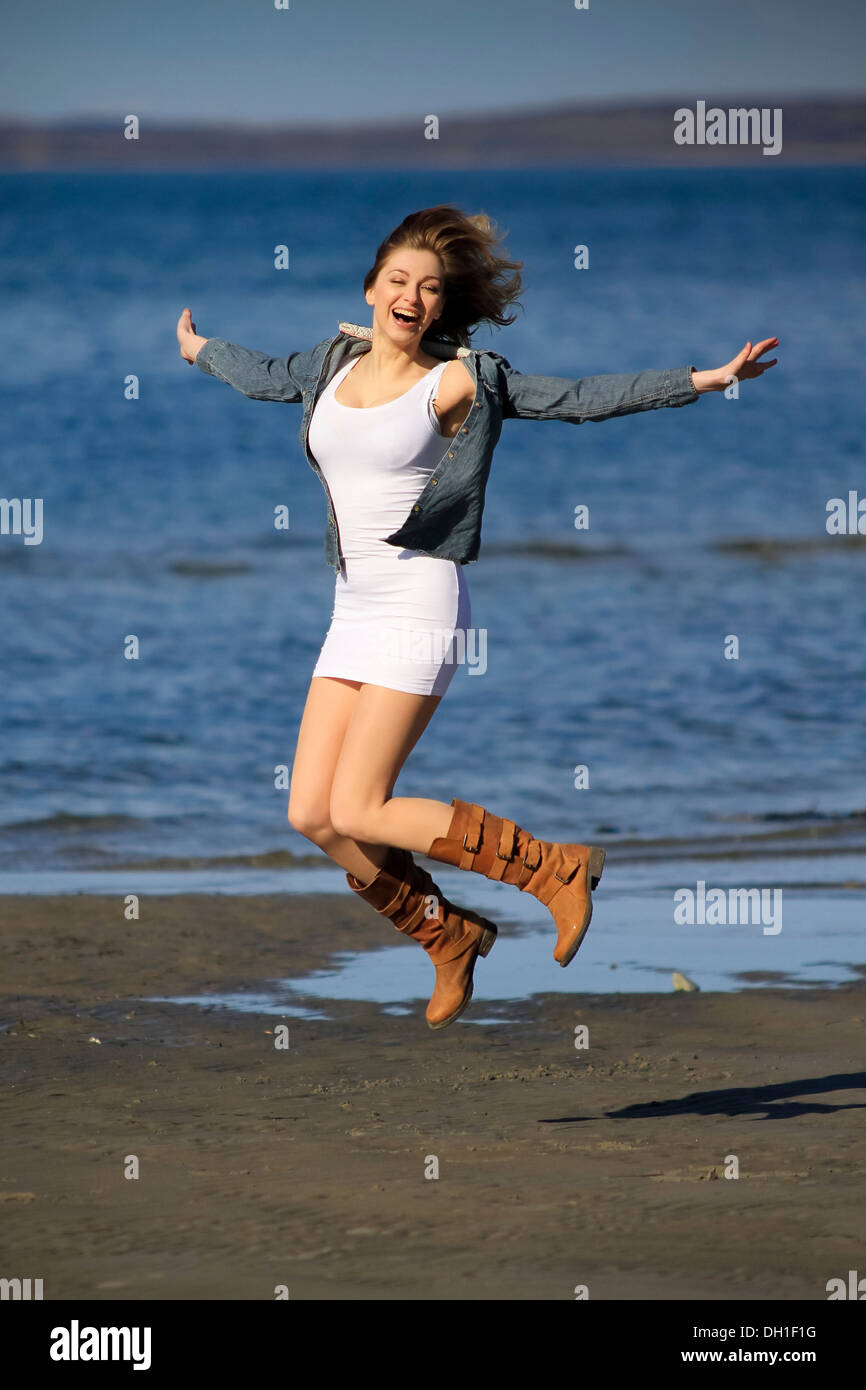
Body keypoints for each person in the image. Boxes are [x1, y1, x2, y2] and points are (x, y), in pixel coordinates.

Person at [177, 203, 778, 1031]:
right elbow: (269, 375)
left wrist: (701, 381)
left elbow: (574, 398)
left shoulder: (459, 379)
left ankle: (553, 869)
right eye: (398, 281)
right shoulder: (330, 367)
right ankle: (446, 932)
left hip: (420, 601)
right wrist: (201, 350)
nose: (411, 296)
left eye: (429, 288)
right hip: (353, 607)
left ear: (440, 306)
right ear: (371, 288)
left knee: (360, 807)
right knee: (312, 813)